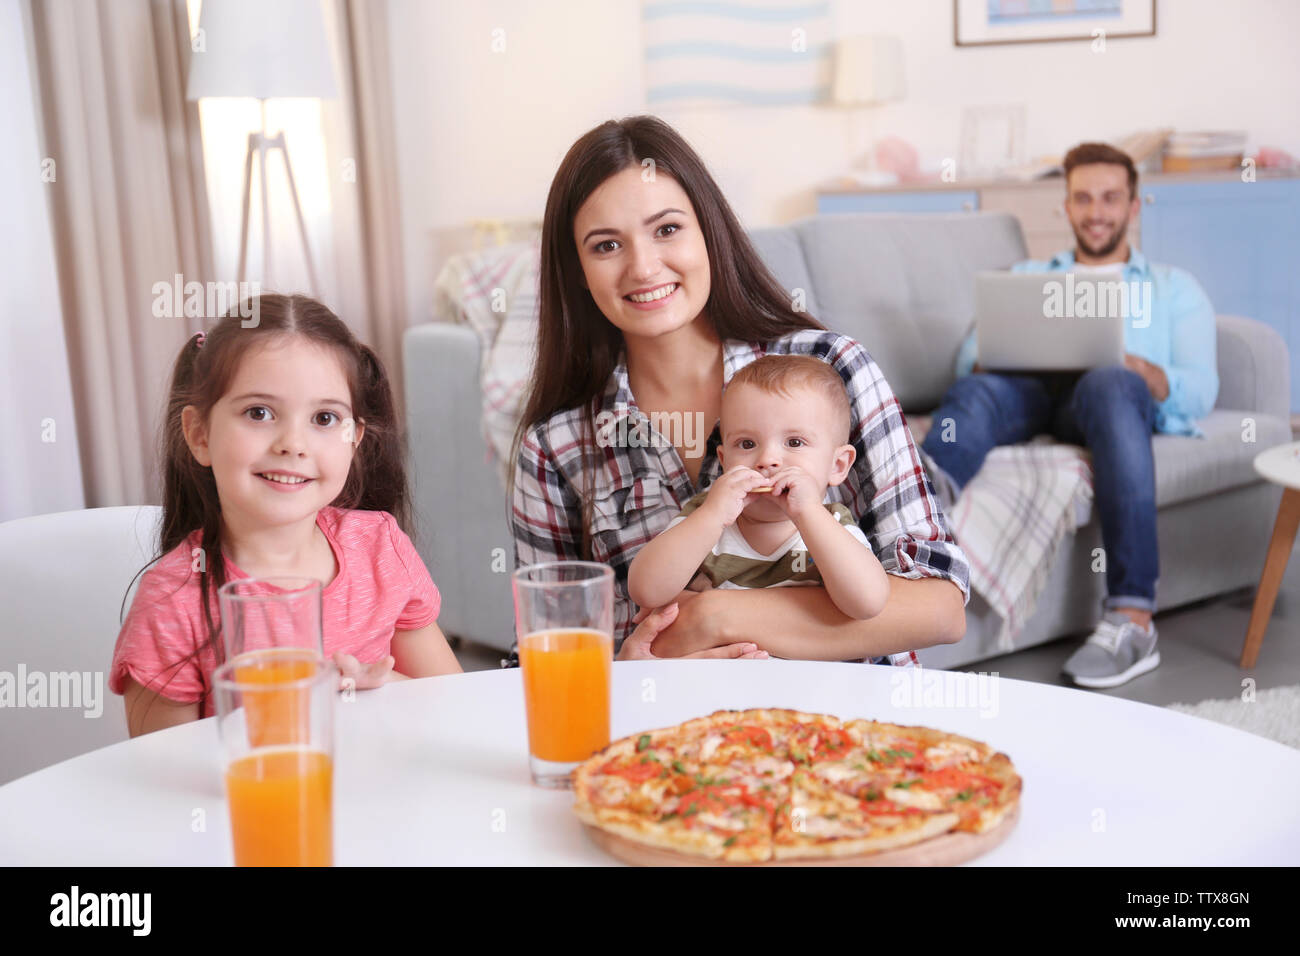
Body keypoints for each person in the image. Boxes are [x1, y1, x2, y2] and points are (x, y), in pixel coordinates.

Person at [510, 115, 969, 665]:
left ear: (710, 229)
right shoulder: (556, 446)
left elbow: (940, 609)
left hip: (855, 730)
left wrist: (714, 619)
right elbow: (539, 660)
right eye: (607, 245)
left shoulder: (829, 366)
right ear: (579, 270)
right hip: (674, 734)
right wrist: (628, 669)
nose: (643, 266)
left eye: (667, 229)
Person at [921, 142, 1218, 689]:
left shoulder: (1173, 289)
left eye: (1110, 198)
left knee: (1110, 380)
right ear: (1066, 205)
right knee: (983, 385)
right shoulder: (1030, 274)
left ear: (1133, 206)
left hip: (1107, 406)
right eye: (1083, 198)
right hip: (1032, 396)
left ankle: (1132, 619)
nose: (1096, 211)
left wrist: (1145, 372)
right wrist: (994, 352)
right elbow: (967, 364)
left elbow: (1200, 389)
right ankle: (915, 504)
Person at [110, 294, 462, 736]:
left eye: (324, 418)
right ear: (199, 434)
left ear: (354, 439)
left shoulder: (379, 547)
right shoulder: (173, 600)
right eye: (259, 413)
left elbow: (456, 709)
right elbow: (161, 786)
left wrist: (381, 685)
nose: (293, 443)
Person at [628, 355, 889, 623]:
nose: (767, 460)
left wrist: (809, 513)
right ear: (724, 461)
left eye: (795, 442)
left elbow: (868, 604)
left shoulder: (833, 527)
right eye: (747, 444)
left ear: (837, 465)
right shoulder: (706, 516)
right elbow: (645, 592)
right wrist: (713, 516)